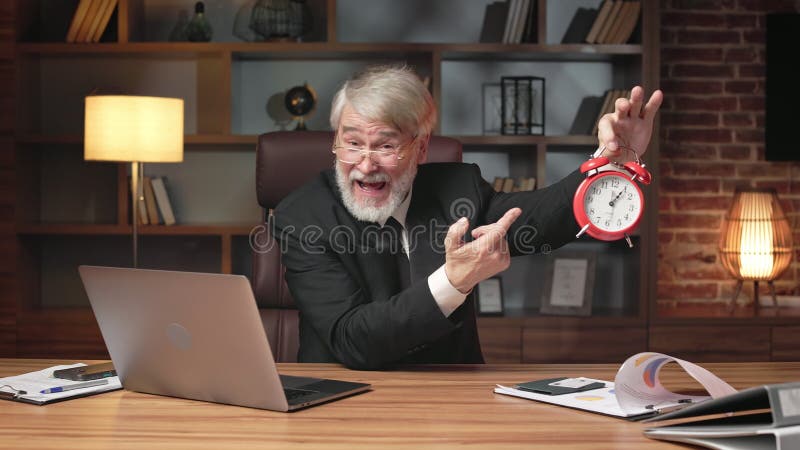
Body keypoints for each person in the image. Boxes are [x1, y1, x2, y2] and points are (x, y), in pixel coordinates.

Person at [273, 65, 662, 370]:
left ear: (421, 148)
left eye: (386, 145)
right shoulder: (302, 216)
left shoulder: (457, 189)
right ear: (335, 142)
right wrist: (451, 282)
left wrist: (610, 165)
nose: (365, 164)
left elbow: (538, 220)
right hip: (341, 403)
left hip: (451, 398)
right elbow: (351, 339)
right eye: (352, 143)